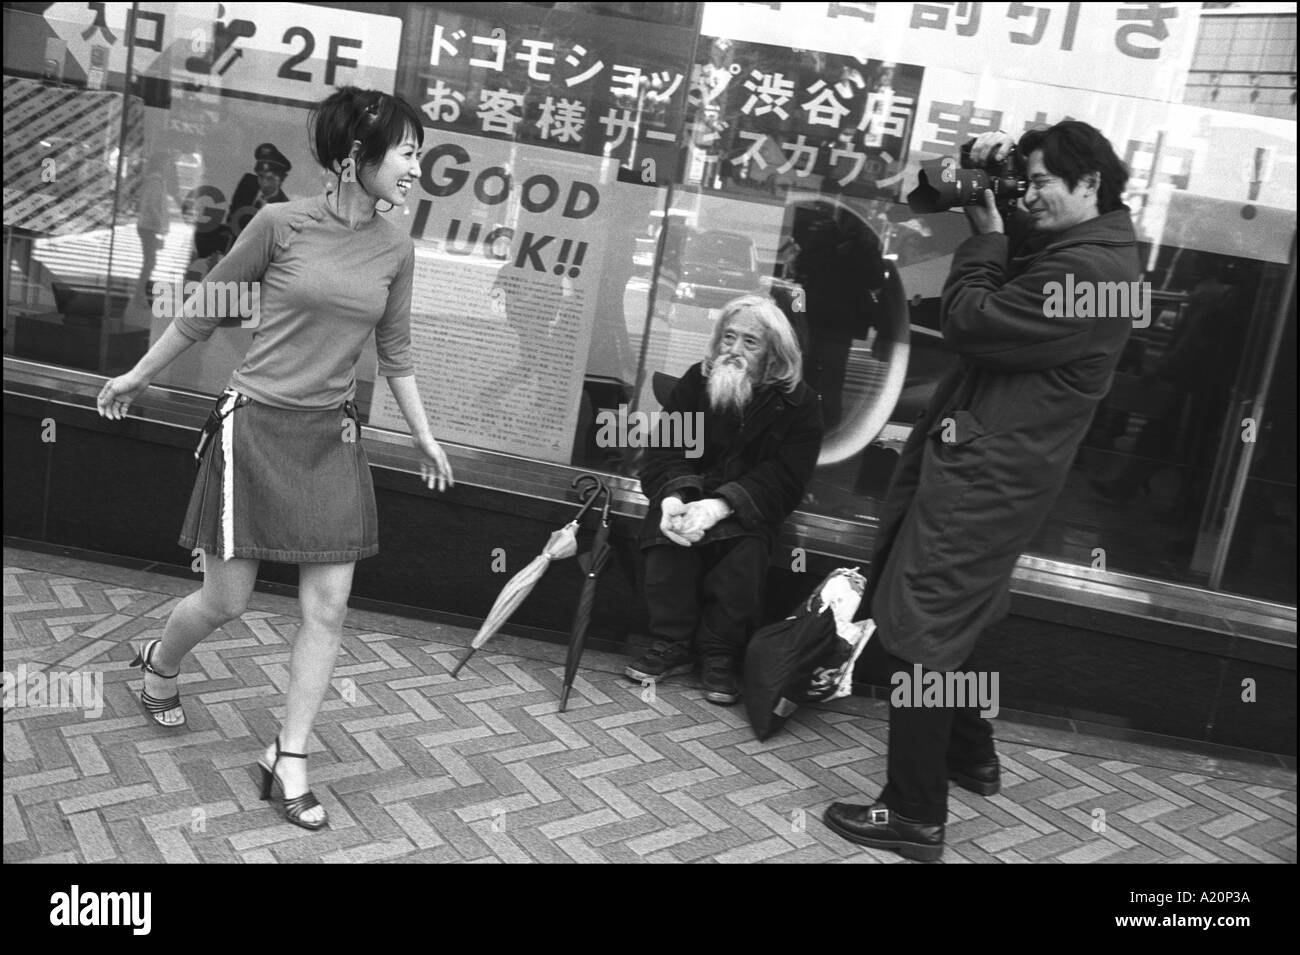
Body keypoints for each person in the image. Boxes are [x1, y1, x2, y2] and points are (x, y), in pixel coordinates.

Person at [96, 87, 453, 831]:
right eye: (408, 153)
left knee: (329, 605)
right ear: (356, 156)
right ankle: (162, 661)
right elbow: (205, 311)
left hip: (331, 439)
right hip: (255, 428)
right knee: (226, 601)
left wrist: (423, 434)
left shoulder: (397, 248)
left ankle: (289, 756)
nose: (417, 168)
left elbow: (396, 353)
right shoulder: (279, 224)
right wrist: (137, 375)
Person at [823, 121, 1139, 860]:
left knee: (922, 633)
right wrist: (975, 168)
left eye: (1042, 183)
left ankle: (913, 813)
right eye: (1026, 182)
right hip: (991, 469)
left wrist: (988, 235)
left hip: (988, 481)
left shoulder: (1093, 277)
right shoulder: (1080, 249)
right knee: (950, 621)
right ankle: (971, 754)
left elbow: (971, 320)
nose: (1029, 197)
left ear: (1091, 182)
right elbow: (931, 199)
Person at [625, 294, 823, 705]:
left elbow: (785, 479)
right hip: (689, 493)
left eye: (750, 342)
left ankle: (720, 653)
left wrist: (719, 506)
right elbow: (665, 451)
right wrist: (675, 497)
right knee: (668, 537)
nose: (733, 350)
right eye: (728, 337)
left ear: (773, 354)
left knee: (744, 554)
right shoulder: (695, 382)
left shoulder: (800, 404)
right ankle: (672, 642)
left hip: (746, 506)